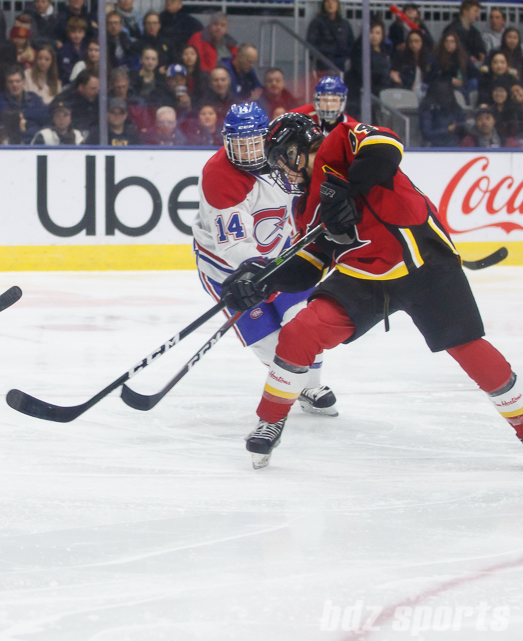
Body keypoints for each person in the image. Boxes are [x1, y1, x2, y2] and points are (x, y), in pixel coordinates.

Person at [221, 113, 523, 468]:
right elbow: (311, 265)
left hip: (423, 262)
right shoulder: (304, 205)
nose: (281, 171)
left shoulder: (340, 142)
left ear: (295, 149)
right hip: (361, 279)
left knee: (468, 348)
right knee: (302, 330)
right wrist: (265, 281)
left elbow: (387, 148)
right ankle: (270, 420)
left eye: (280, 160)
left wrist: (347, 188)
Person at [192, 102, 337, 427]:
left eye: (253, 142)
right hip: (229, 271)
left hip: (281, 254)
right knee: (271, 345)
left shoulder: (282, 153)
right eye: (237, 145)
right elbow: (234, 246)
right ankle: (296, 384)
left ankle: (309, 388)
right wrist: (260, 279)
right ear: (226, 141)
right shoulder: (219, 175)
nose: (246, 152)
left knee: (304, 323)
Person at [306, 0, 354, 74]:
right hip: (324, 61)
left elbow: (351, 43)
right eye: (327, 1)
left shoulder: (344, 24)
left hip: (342, 60)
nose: (330, 3)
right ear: (323, 4)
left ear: (337, 4)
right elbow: (311, 44)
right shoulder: (316, 23)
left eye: (333, 1)